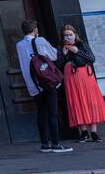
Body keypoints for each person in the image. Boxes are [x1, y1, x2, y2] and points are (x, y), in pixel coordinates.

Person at [16, 19, 72, 153]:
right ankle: (56, 144)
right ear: (35, 30)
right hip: (46, 81)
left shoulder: (19, 45)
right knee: (52, 112)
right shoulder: (40, 40)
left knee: (41, 112)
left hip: (33, 83)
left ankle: (45, 144)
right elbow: (53, 55)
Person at [56, 25, 105, 142]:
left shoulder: (82, 44)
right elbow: (58, 66)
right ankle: (84, 132)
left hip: (86, 76)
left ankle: (94, 132)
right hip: (71, 78)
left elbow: (92, 58)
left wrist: (77, 51)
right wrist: (64, 55)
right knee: (77, 102)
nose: (68, 37)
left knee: (91, 102)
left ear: (75, 35)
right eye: (65, 35)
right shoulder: (61, 48)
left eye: (70, 35)